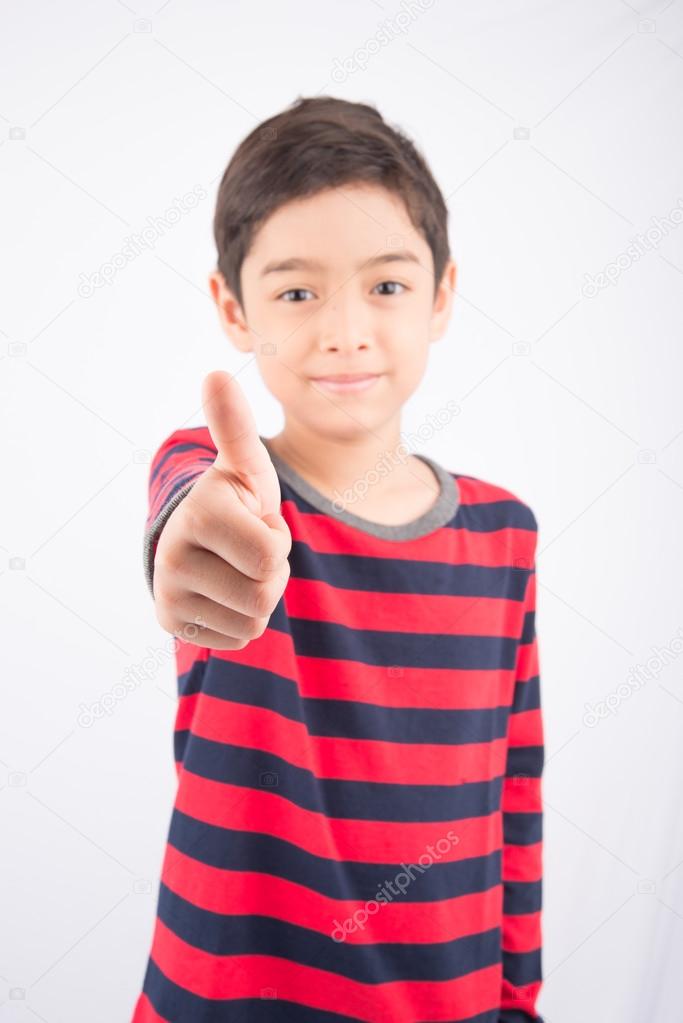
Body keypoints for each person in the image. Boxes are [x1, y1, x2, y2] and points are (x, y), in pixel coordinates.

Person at [131, 94, 545, 1023]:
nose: (344, 329)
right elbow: (186, 503)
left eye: (386, 285)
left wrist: (517, 997)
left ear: (440, 295)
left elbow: (515, 789)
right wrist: (192, 531)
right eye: (296, 290)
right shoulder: (226, 490)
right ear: (233, 308)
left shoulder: (506, 532)